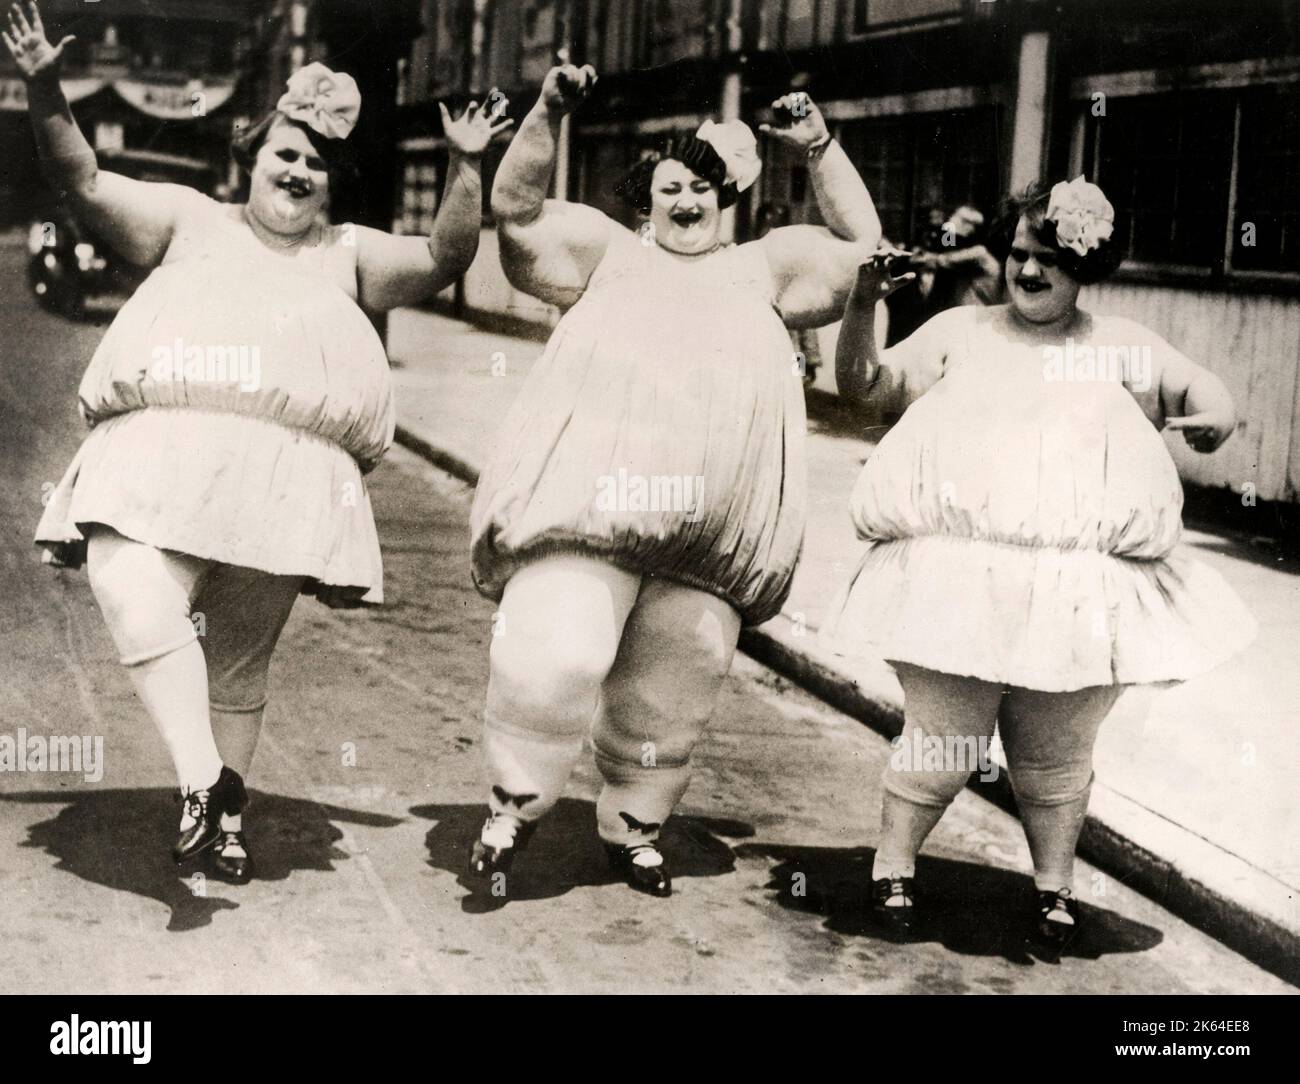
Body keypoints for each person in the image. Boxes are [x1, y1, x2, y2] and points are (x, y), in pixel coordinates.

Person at [7, 0, 510, 881]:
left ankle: (225, 817)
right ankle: (202, 779)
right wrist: (46, 86)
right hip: (164, 451)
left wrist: (468, 169)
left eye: (317, 163)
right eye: (285, 151)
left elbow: (444, 257)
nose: (299, 171)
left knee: (238, 663)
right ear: (253, 153)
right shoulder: (189, 220)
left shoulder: (349, 252)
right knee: (129, 580)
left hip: (285, 477)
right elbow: (83, 181)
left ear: (333, 181)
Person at [467, 63, 882, 896]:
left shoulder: (765, 270)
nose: (686, 201)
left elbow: (857, 244)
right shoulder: (607, 255)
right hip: (591, 513)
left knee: (673, 692)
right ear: (645, 196)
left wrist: (820, 147)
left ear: (728, 199)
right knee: (555, 655)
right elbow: (515, 212)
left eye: (703, 187)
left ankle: (636, 825)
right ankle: (511, 809)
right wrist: (548, 110)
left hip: (709, 537)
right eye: (669, 186)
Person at [825, 176, 1255, 956]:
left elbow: (1201, 387)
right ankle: (893, 867)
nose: (1027, 271)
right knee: (941, 739)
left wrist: (1217, 415)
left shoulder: (1121, 344)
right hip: (955, 577)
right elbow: (862, 387)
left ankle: (1053, 886)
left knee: (1056, 755)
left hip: (1080, 587)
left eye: (1048, 259)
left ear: (1087, 265)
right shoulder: (962, 330)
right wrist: (862, 305)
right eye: (1019, 253)